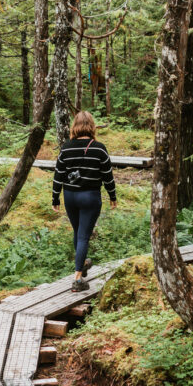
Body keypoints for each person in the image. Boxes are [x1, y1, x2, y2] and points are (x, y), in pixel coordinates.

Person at [52, 111, 117, 291]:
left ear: (75, 126)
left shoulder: (66, 148)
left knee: (78, 232)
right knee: (83, 236)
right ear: (92, 126)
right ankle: (78, 279)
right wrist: (112, 196)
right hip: (90, 197)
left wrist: (55, 197)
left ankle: (84, 262)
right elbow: (107, 176)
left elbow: (59, 175)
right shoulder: (99, 148)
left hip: (70, 196)